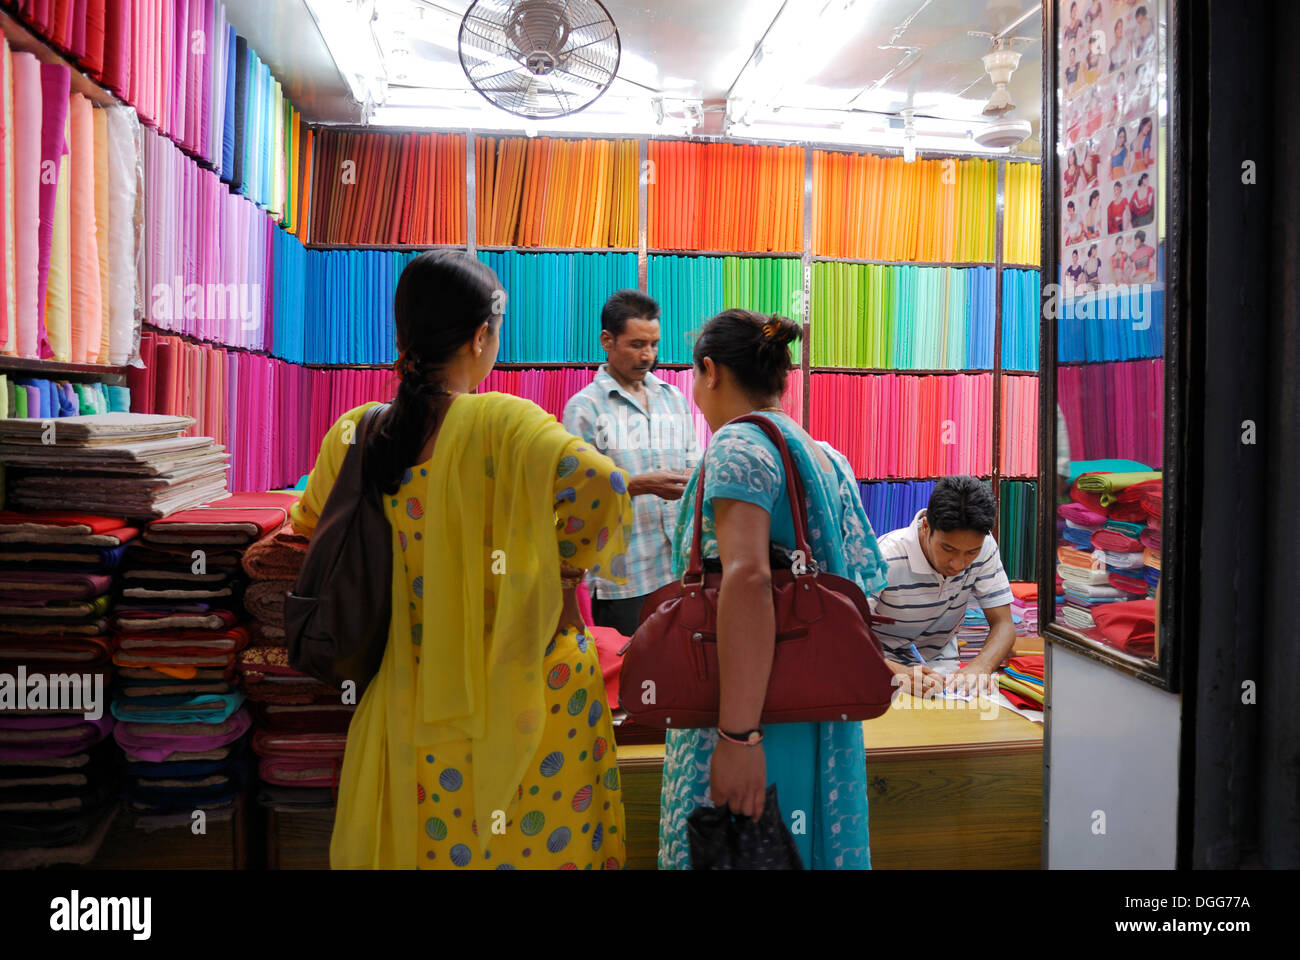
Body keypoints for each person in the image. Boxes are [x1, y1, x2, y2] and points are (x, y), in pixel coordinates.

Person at [292, 251, 635, 869]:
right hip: (527, 689)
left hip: (411, 698)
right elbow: (604, 489)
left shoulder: (357, 433)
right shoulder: (506, 423)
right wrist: (563, 572)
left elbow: (309, 525)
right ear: (482, 336)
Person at [657, 309, 889, 870]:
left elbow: (748, 576)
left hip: (748, 712)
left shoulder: (737, 446)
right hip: (813, 707)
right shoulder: (826, 456)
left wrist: (739, 739)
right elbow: (865, 585)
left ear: (710, 371)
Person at [562, 290, 699, 636]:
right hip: (624, 578)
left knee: (678, 673)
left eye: (654, 344)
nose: (648, 355)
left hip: (678, 569)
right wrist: (640, 484)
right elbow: (573, 495)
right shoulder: (584, 409)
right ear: (607, 340)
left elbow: (693, 461)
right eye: (637, 344)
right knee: (629, 678)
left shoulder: (673, 398)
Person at [870, 477, 1015, 697]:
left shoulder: (984, 548)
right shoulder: (883, 557)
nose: (958, 564)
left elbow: (1004, 624)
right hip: (877, 667)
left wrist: (981, 666)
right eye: (948, 549)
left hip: (942, 672)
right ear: (926, 525)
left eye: (970, 553)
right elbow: (841, 639)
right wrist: (898, 673)